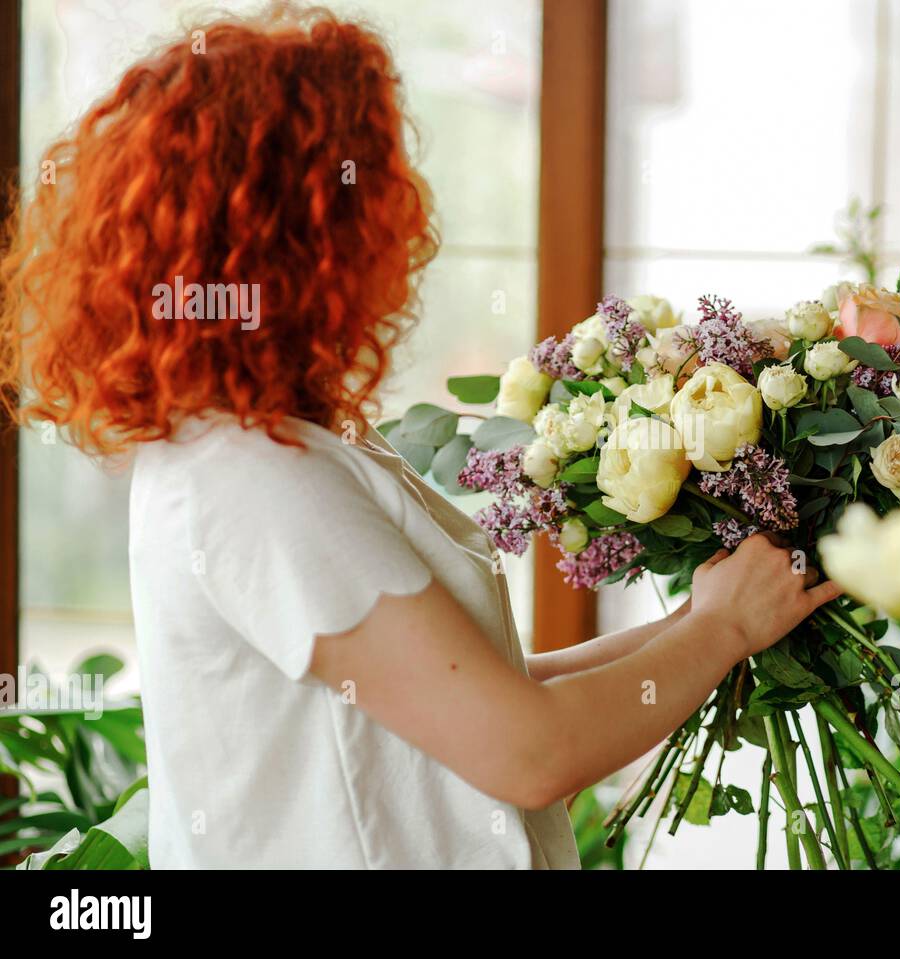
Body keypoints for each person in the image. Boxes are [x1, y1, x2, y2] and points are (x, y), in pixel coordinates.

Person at [0, 7, 839, 868]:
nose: (403, 206)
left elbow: (486, 695)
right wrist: (723, 634)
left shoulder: (269, 444)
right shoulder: (252, 478)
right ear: (303, 231)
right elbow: (528, 750)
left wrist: (710, 619)